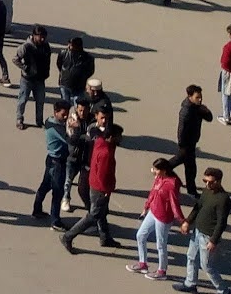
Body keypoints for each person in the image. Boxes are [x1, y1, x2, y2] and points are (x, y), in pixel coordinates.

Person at [62, 121, 124, 253]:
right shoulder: (106, 153)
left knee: (101, 213)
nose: (121, 138)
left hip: (94, 183)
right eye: (119, 136)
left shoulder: (101, 142)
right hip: (100, 188)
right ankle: (68, 236)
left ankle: (105, 237)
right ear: (111, 137)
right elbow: (102, 175)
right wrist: (106, 191)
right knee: (93, 215)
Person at [178, 167, 231, 294]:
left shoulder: (223, 199)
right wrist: (187, 221)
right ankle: (190, 283)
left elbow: (221, 222)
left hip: (208, 236)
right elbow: (198, 207)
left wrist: (213, 240)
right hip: (197, 231)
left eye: (211, 182)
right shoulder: (206, 191)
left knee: (207, 266)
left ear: (219, 181)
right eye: (205, 181)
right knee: (191, 256)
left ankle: (225, 292)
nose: (207, 184)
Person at [129, 159, 185, 280]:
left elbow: (174, 204)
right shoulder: (159, 178)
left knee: (161, 244)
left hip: (164, 217)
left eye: (156, 169)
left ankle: (162, 270)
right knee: (140, 235)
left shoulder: (172, 184)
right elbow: (153, 193)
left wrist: (181, 221)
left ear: (164, 170)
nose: (153, 171)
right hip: (153, 211)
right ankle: (142, 263)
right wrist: (146, 207)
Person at [31, 102, 72, 225]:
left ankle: (37, 209)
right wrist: (74, 128)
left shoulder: (49, 121)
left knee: (45, 186)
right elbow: (70, 139)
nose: (66, 117)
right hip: (57, 163)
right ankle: (55, 220)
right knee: (57, 192)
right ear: (56, 112)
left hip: (51, 160)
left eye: (67, 114)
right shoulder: (56, 128)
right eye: (63, 114)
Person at [164, 84, 212, 187]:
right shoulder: (186, 111)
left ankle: (162, 169)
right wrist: (182, 144)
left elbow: (209, 118)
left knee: (187, 165)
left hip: (192, 142)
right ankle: (161, 170)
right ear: (190, 97)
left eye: (201, 97)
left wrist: (204, 110)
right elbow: (181, 129)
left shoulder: (197, 108)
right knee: (189, 167)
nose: (200, 100)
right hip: (186, 144)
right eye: (197, 97)